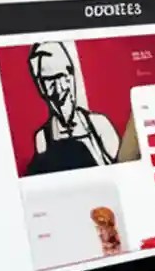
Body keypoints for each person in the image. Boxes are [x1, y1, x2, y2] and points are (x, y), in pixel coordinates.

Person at [25, 41, 121, 177]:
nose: (58, 88)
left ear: (71, 77)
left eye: (60, 77)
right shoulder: (43, 138)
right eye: (49, 81)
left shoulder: (98, 124)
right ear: (40, 87)